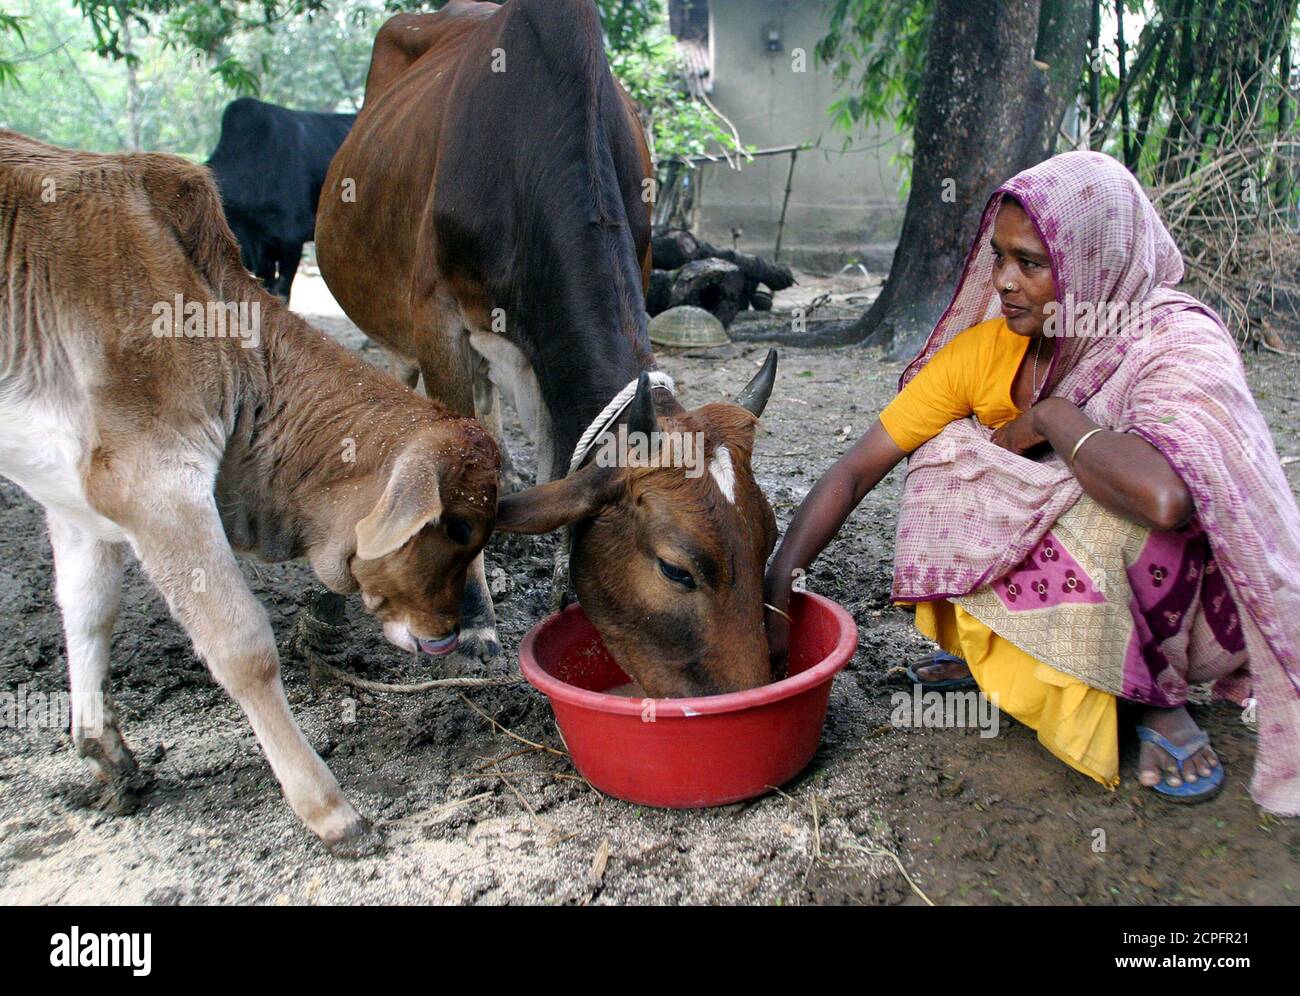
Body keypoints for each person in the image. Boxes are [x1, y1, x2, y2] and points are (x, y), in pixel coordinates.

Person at [764, 151, 1300, 813]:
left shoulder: (1171, 340)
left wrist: (1050, 417)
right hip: (1071, 570)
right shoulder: (985, 353)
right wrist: (780, 580)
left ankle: (1153, 699)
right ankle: (997, 656)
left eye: (1032, 264)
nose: (1005, 282)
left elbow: (1167, 499)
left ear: (1094, 265)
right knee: (947, 461)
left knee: (1108, 517)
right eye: (999, 257)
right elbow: (855, 470)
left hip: (1180, 589)